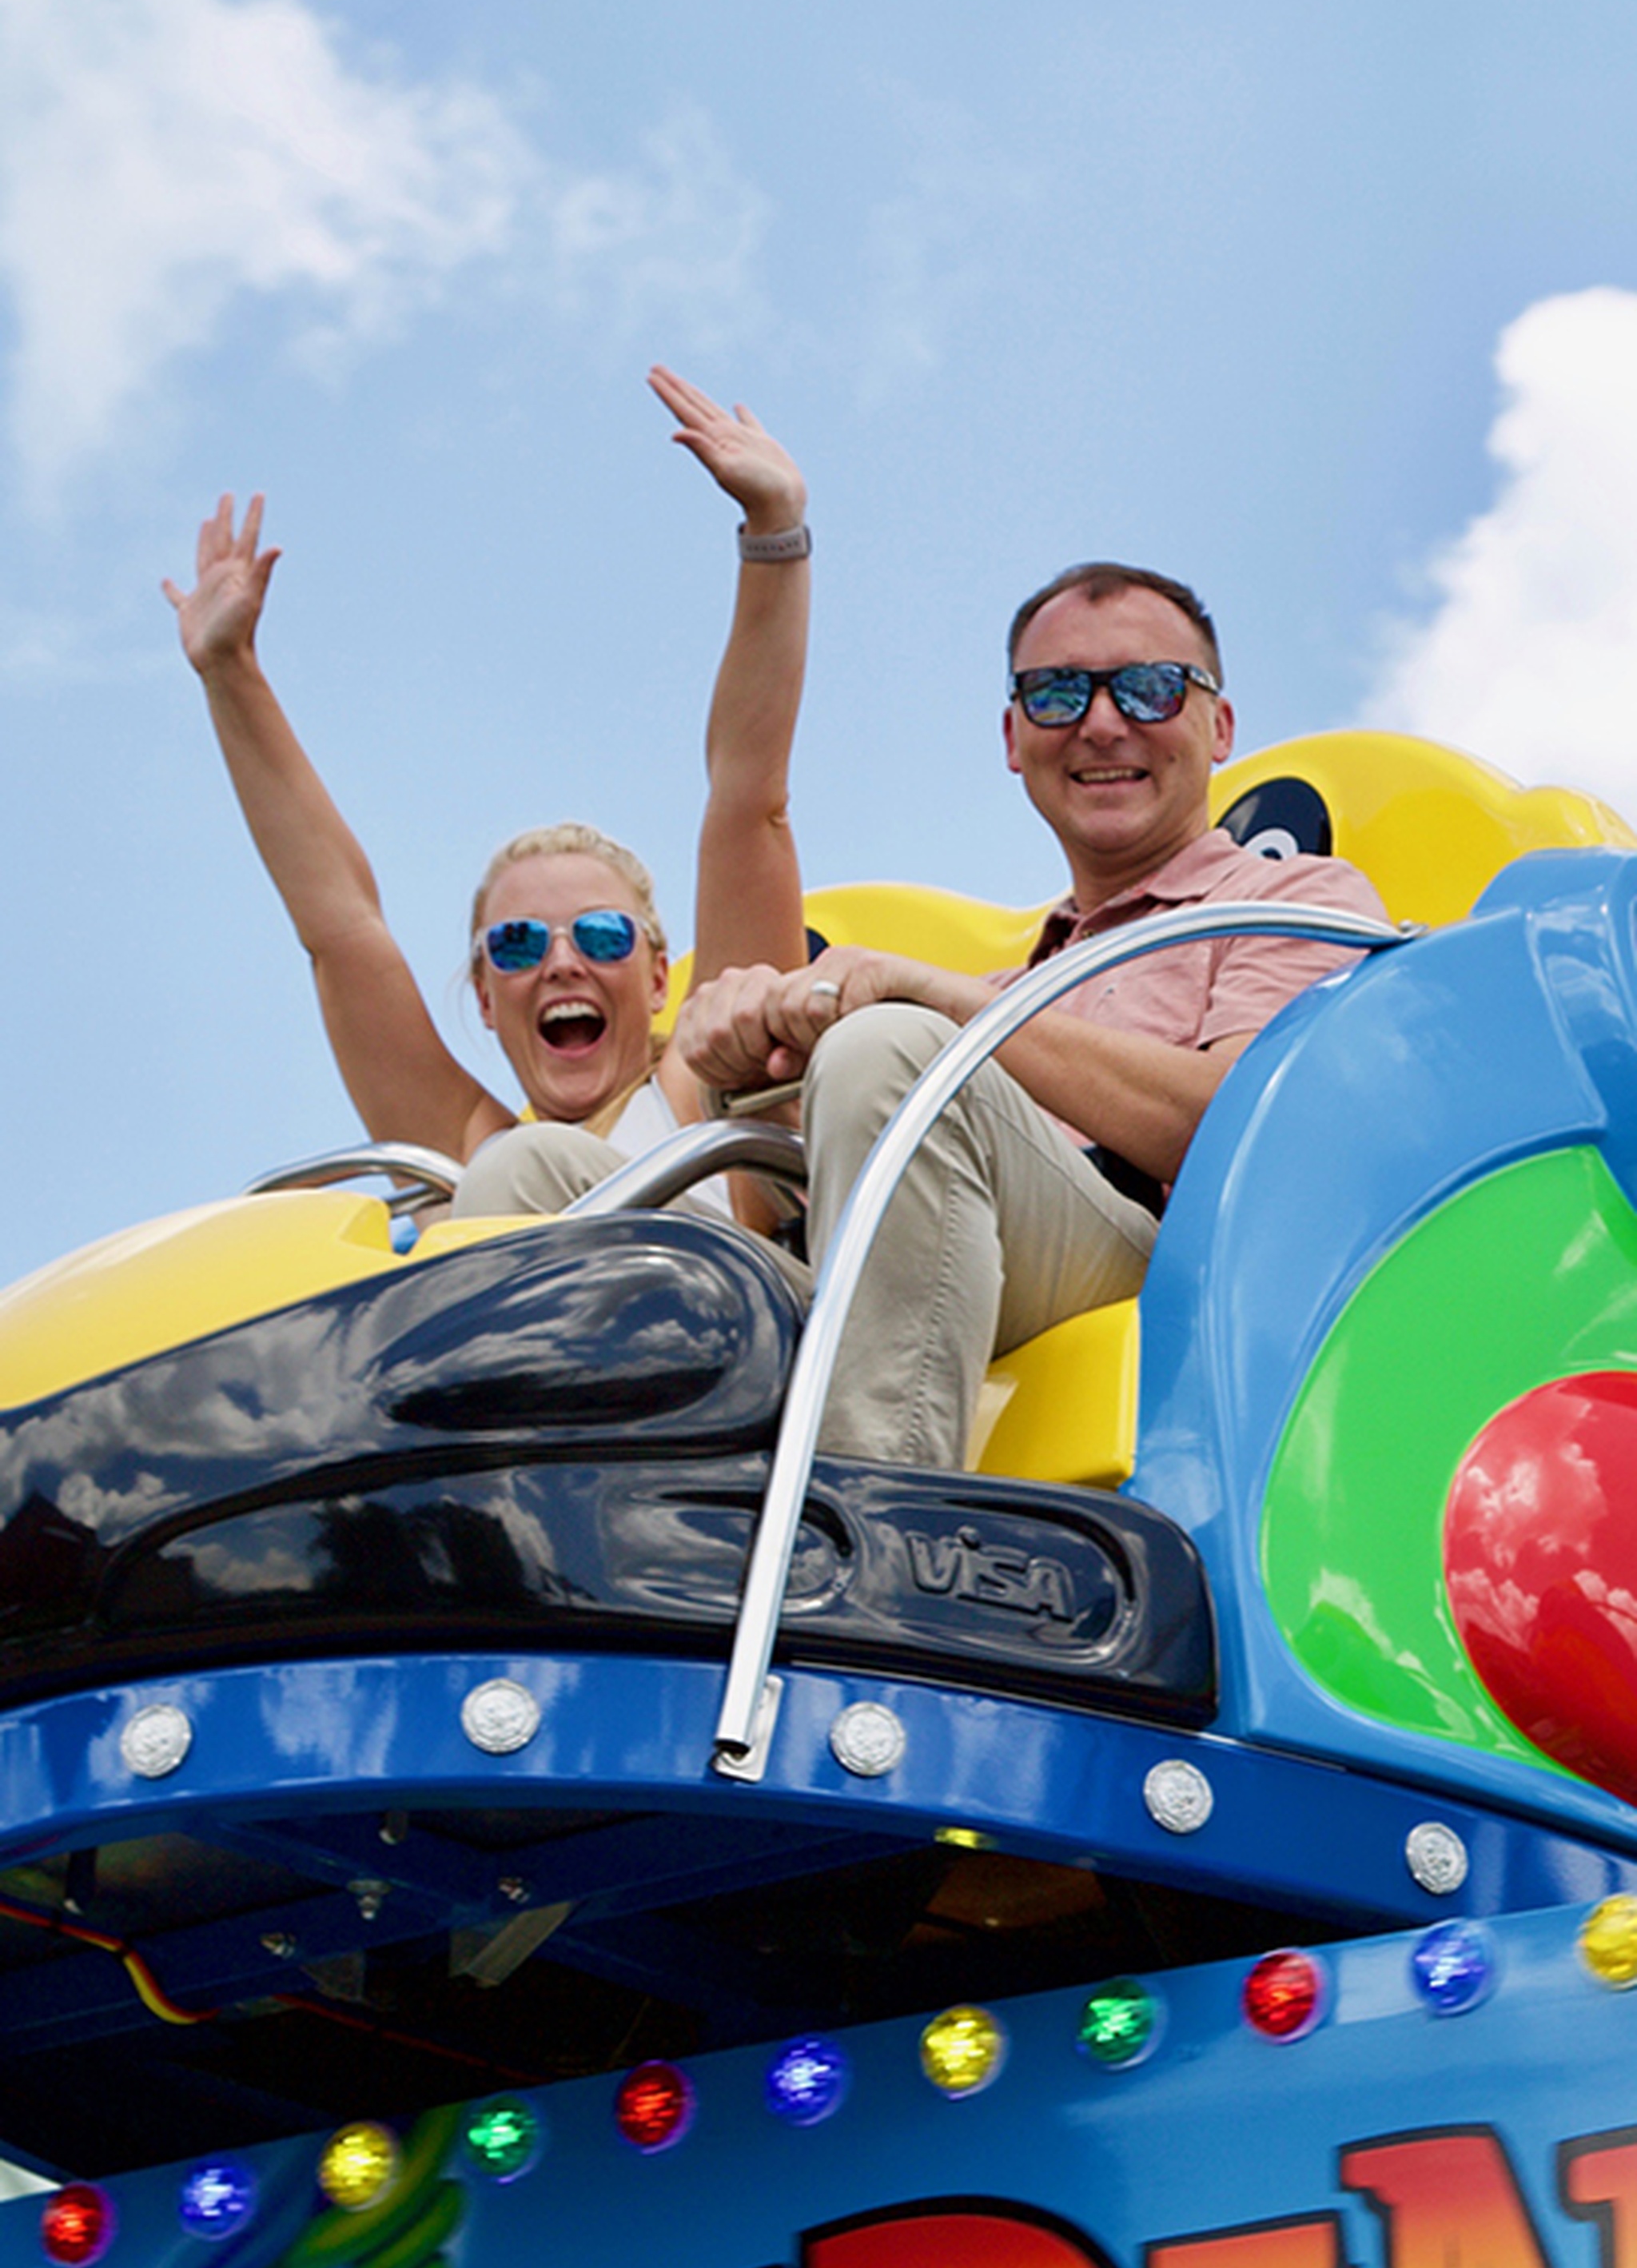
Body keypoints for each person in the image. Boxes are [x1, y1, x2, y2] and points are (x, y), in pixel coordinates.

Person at [673, 562, 1391, 1466]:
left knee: (895, 1049)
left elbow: (1250, 1129)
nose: (1099, 721)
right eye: (1055, 693)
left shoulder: (1289, 897)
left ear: (1220, 728)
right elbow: (823, 1202)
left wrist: (944, 1007)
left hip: (1173, 1280)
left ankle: (872, 1536)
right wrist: (745, 1074)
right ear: (1014, 737)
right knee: (542, 1168)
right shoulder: (1000, 986)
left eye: (1150, 687)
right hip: (934, 1274)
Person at [164, 369, 812, 1234]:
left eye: (601, 934)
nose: (560, 964)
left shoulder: (706, 1090)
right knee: (498, 1173)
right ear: (481, 996)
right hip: (534, 1354)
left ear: (658, 977)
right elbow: (340, 931)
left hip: (737, 1351)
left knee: (512, 1171)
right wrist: (229, 672)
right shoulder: (472, 1153)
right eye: (514, 945)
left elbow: (747, 800)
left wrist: (774, 535)